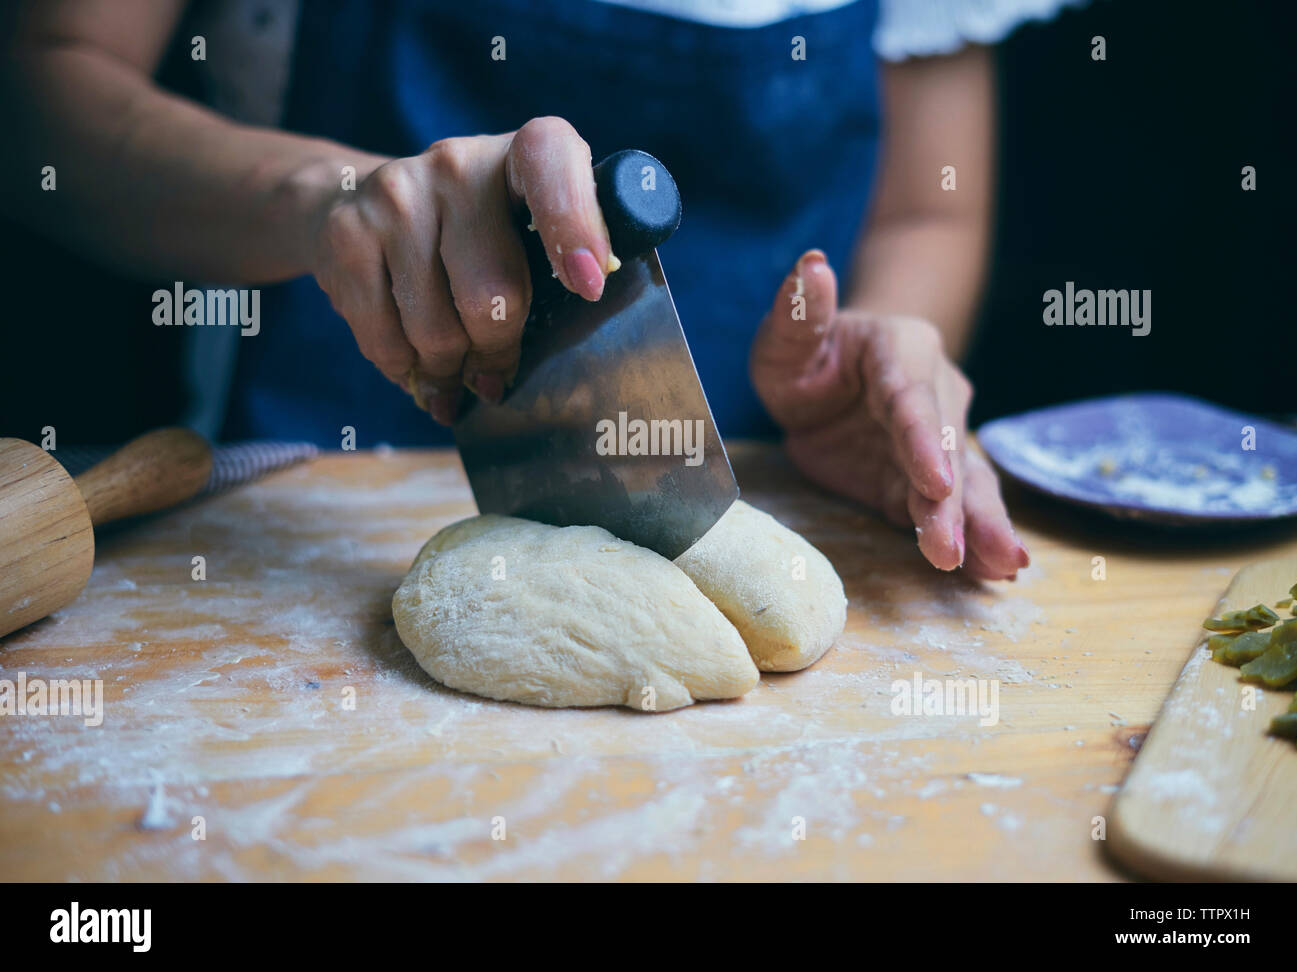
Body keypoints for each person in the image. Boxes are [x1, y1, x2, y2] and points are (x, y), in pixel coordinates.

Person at [2, 0, 1078, 580]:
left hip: (774, 491)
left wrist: (868, 346)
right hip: (295, 502)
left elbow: (925, 213)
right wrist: (322, 197)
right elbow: (39, 89)